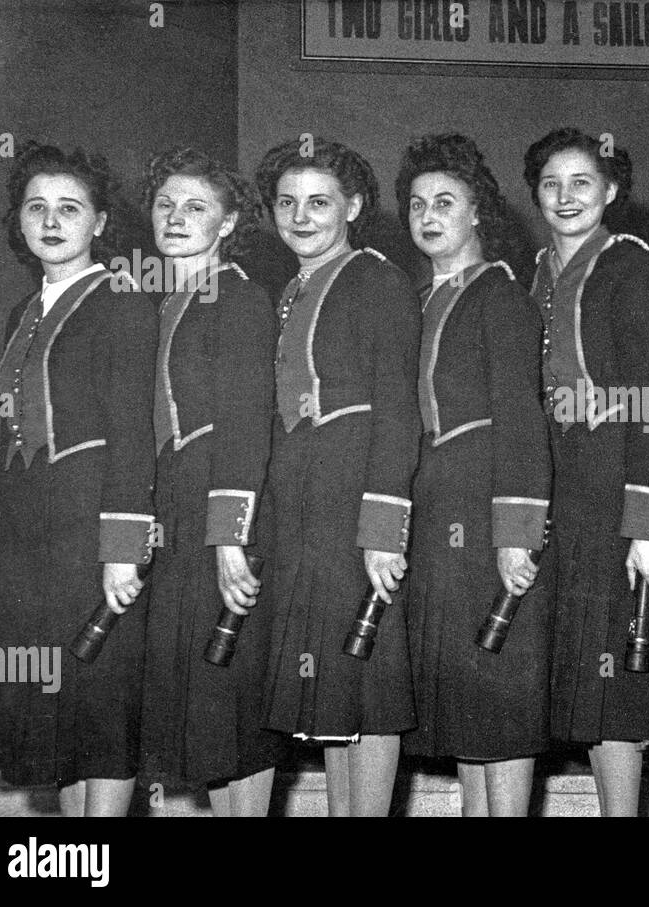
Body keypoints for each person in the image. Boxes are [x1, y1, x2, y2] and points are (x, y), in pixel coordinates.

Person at [0, 142, 157, 816]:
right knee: (58, 716)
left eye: (69, 208)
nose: (51, 220)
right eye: (36, 207)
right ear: (18, 220)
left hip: (91, 529)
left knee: (100, 707)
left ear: (101, 222)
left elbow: (135, 432)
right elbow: (11, 440)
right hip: (28, 536)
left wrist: (124, 549)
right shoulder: (24, 313)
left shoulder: (123, 300)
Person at [254, 137, 420, 816]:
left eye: (318, 201)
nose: (301, 215)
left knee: (368, 676)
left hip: (354, 498)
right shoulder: (290, 290)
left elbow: (399, 408)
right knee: (332, 682)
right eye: (287, 202)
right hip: (303, 504)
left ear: (352, 205)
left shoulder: (375, 278)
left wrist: (383, 527)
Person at [394, 134, 553, 816]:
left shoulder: (499, 294)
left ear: (477, 213)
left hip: (487, 506)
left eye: (446, 201)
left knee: (501, 693)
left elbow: (522, 420)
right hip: (436, 514)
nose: (429, 215)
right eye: (417, 203)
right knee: (467, 701)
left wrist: (515, 532)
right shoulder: (417, 298)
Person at [523, 127, 649, 816]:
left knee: (615, 675)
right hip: (555, 480)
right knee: (581, 668)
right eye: (551, 184)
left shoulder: (629, 262)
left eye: (581, 182)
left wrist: (646, 524)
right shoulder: (533, 271)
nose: (565, 197)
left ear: (612, 191)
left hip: (612, 476)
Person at [138, 147, 285, 815]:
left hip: (222, 512)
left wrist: (230, 538)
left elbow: (247, 424)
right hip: (175, 512)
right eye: (165, 204)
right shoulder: (165, 302)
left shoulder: (241, 298)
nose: (175, 216)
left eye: (196, 206)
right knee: (198, 707)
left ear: (228, 223)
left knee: (230, 702)